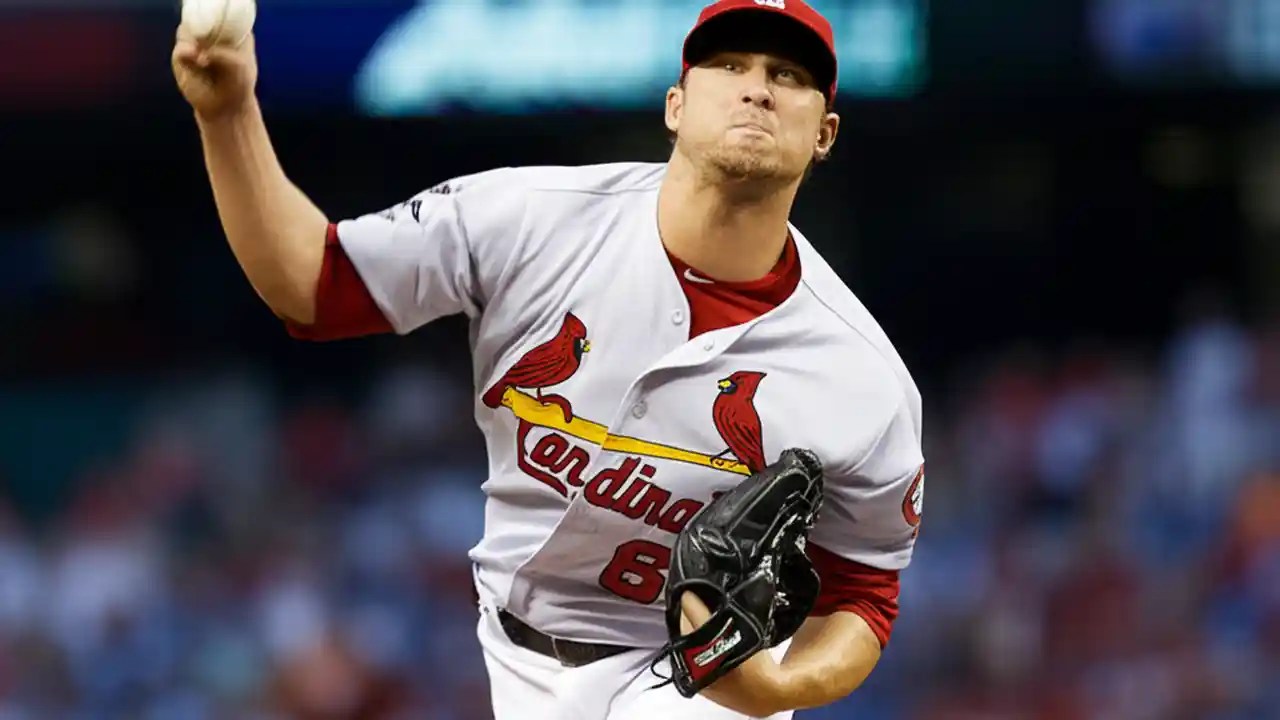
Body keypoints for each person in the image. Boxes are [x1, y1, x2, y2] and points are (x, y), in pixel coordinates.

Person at [172, 1, 926, 717]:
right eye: (730, 65)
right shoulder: (528, 220)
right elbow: (316, 286)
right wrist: (227, 113)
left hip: (696, 680)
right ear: (675, 105)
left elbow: (864, 593)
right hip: (514, 652)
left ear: (825, 133)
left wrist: (779, 686)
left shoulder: (861, 378)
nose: (757, 90)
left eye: (787, 76)